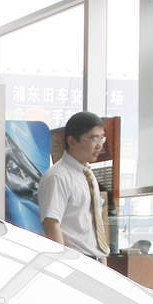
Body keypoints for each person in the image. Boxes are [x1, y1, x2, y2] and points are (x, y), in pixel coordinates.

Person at [37, 112, 109, 263]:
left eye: (101, 138)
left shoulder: (88, 174)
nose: (99, 145)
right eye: (93, 138)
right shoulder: (57, 176)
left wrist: (102, 259)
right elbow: (51, 224)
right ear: (72, 141)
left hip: (94, 260)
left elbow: (95, 223)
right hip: (75, 260)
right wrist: (62, 264)